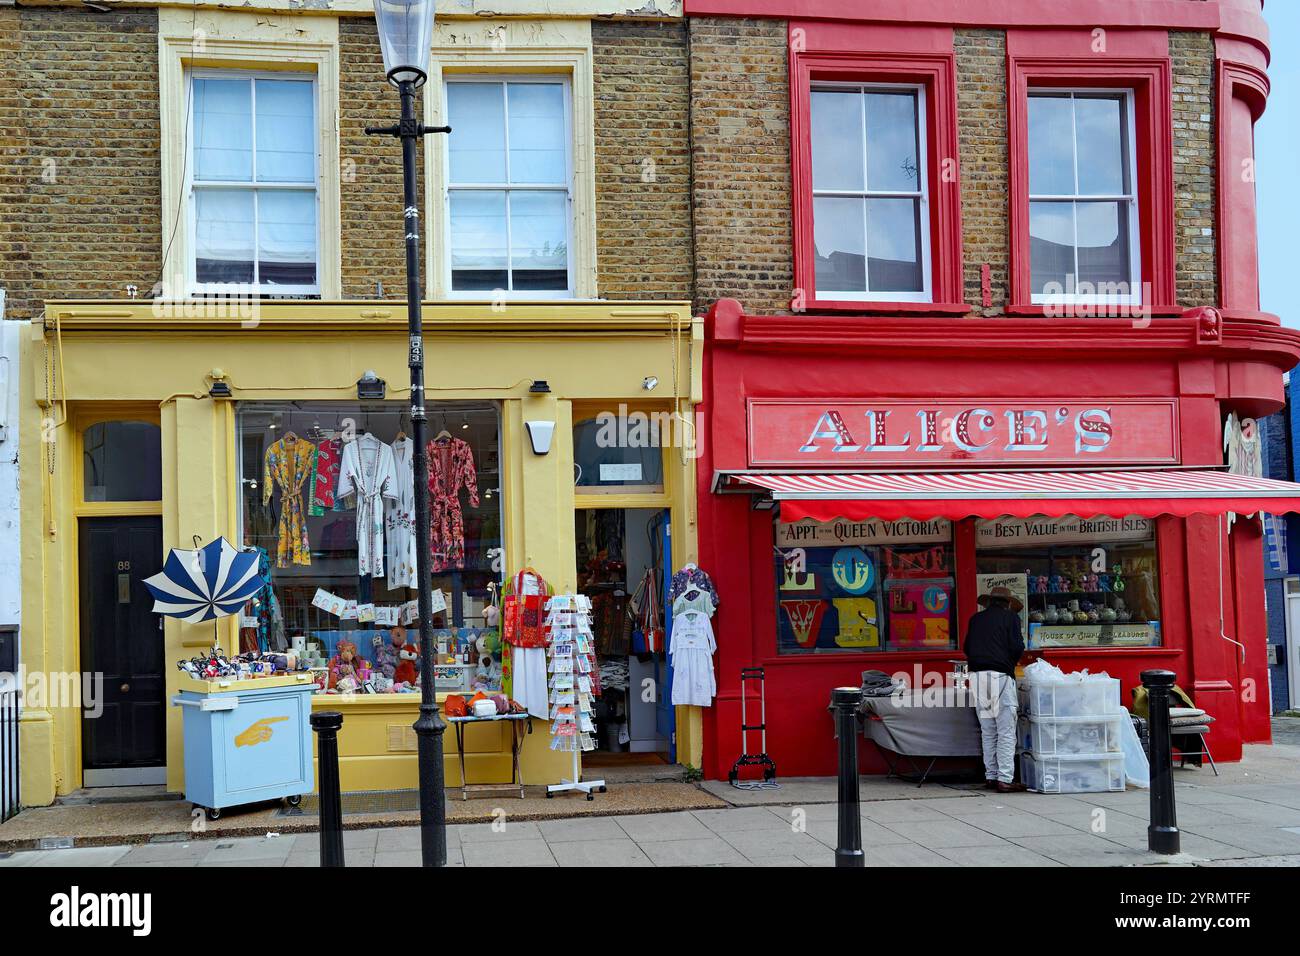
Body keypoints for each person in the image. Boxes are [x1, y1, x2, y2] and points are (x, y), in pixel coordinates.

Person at [964, 586, 1026, 793]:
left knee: (988, 729)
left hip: (976, 676)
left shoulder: (975, 619)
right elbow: (1018, 647)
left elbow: (966, 648)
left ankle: (990, 776)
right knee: (1006, 730)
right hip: (1000, 676)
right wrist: (1007, 661)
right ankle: (1005, 779)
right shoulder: (1011, 619)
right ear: (1008, 603)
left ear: (989, 602)